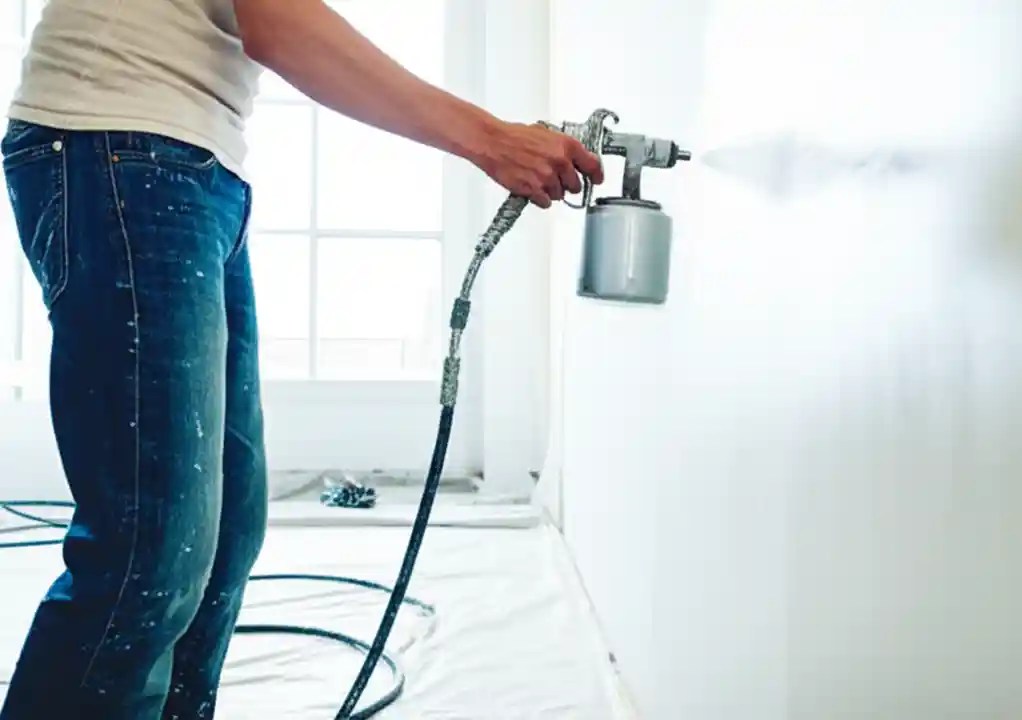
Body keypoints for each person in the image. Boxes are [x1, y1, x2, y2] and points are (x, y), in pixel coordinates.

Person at [0, 1, 604, 718]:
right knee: (150, 551)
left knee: (226, 530)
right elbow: (278, 21)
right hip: (121, 143)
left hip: (183, 165)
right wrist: (490, 139)